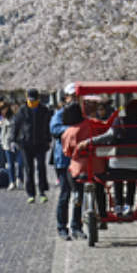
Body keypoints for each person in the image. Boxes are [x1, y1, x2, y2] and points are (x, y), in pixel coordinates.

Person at [89, 98, 137, 218]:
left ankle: (118, 205)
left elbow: (109, 136)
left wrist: (89, 141)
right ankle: (129, 204)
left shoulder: (119, 121)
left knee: (117, 174)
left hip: (116, 166)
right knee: (132, 176)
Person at [51, 99, 85, 240]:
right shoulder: (59, 115)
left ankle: (76, 226)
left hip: (78, 161)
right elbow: (54, 129)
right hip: (63, 161)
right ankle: (62, 227)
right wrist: (74, 130)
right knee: (65, 193)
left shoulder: (82, 114)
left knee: (79, 194)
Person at [12, 89, 53, 203]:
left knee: (41, 167)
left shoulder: (44, 110)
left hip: (41, 143)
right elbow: (16, 125)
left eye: (34, 99)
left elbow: (47, 126)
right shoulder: (22, 110)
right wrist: (13, 140)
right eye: (30, 99)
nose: (31, 101)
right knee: (29, 169)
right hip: (26, 144)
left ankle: (42, 191)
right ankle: (31, 193)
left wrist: (49, 140)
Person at [0, 103, 22, 189]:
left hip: (18, 144)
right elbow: (1, 133)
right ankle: (12, 181)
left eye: (4, 109)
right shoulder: (2, 120)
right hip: (7, 144)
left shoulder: (16, 118)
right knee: (10, 164)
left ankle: (20, 179)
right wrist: (3, 143)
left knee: (20, 163)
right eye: (2, 110)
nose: (3, 111)